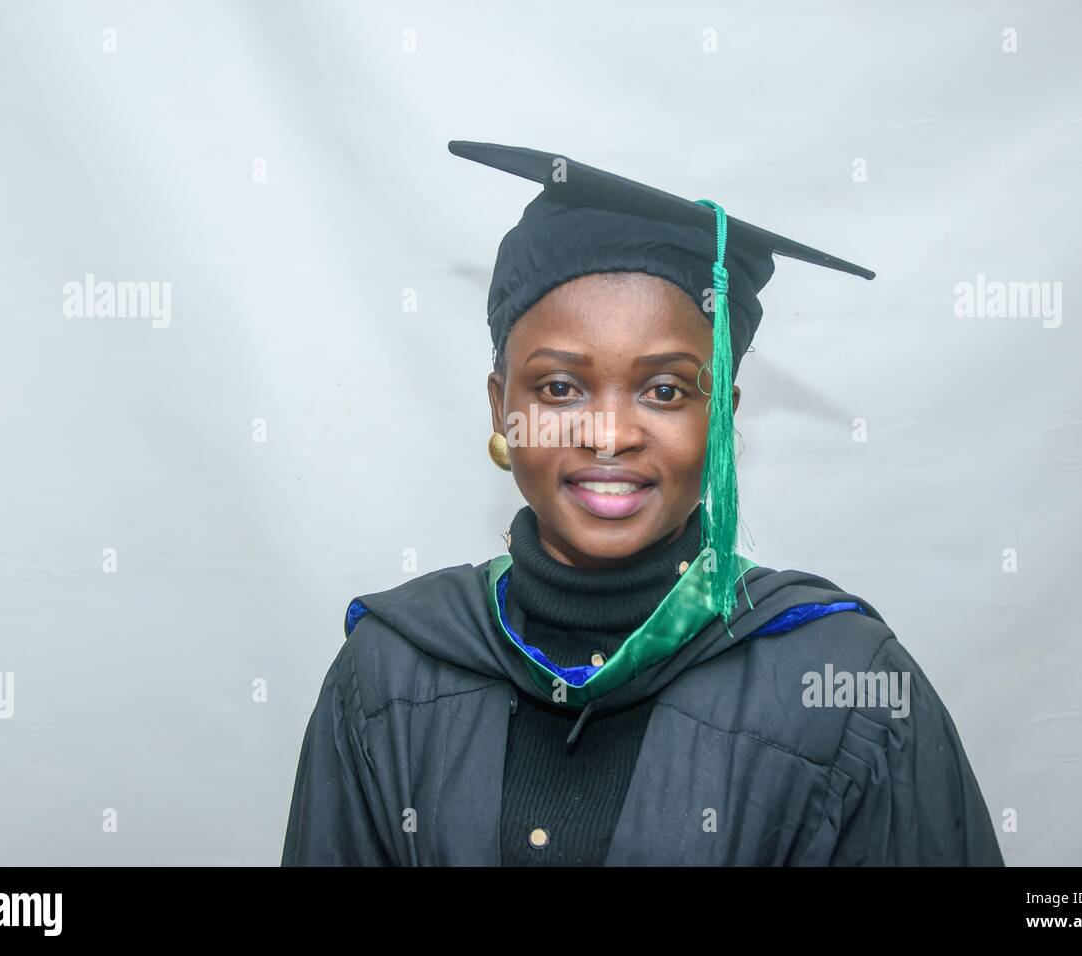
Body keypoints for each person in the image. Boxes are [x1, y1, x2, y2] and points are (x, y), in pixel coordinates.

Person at [280, 141, 1004, 866]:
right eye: (560, 388)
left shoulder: (844, 688)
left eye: (665, 391)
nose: (610, 435)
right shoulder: (389, 673)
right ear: (502, 409)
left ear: (720, 416)